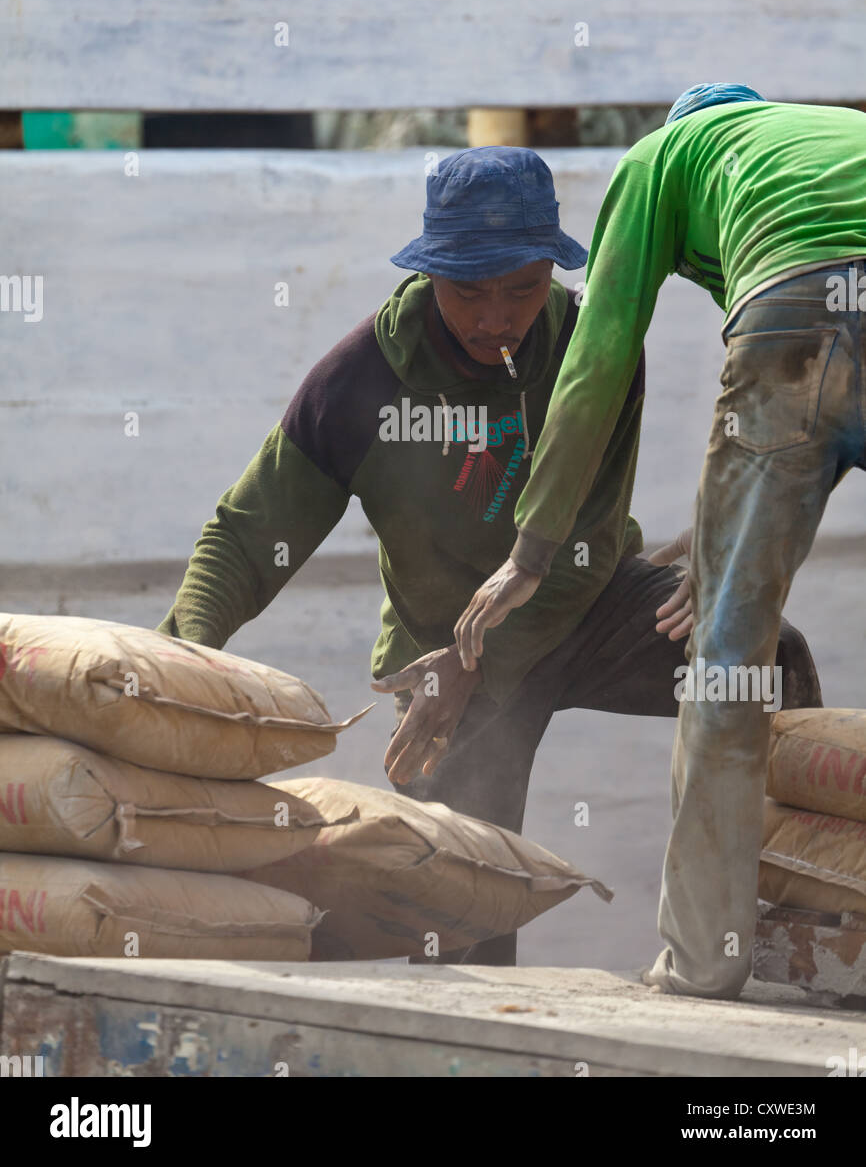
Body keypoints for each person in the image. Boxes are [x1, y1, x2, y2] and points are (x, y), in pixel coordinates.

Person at [155, 142, 822, 967]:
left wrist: (486, 653)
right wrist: (177, 663)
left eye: (523, 288)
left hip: (589, 607)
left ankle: (795, 932)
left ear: (553, 269)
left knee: (771, 662)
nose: (497, 317)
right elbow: (249, 535)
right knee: (462, 899)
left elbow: (577, 541)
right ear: (430, 271)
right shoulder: (360, 382)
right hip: (442, 663)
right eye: (470, 290)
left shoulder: (596, 345)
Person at [453, 88, 866, 993]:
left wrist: (531, 550)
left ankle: (701, 963)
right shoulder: (832, 142)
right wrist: (716, 536)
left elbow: (596, 360)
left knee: (726, 662)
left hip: (792, 313)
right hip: (810, 300)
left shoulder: (663, 156)